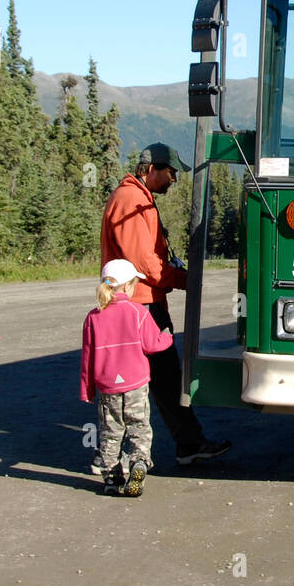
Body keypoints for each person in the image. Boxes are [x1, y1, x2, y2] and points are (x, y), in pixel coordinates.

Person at [97, 142, 231, 471]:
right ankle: (122, 457)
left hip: (145, 302)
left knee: (161, 378)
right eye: (171, 173)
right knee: (149, 380)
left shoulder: (141, 198)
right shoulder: (131, 200)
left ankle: (187, 444)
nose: (174, 179)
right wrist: (183, 279)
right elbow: (142, 261)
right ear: (151, 169)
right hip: (139, 306)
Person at [80, 259, 171, 496]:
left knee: (111, 431)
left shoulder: (93, 317)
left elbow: (87, 358)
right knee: (138, 426)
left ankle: (111, 478)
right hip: (136, 384)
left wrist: (86, 389)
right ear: (128, 287)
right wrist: (168, 337)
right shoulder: (138, 312)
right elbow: (152, 345)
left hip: (107, 386)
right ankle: (139, 462)